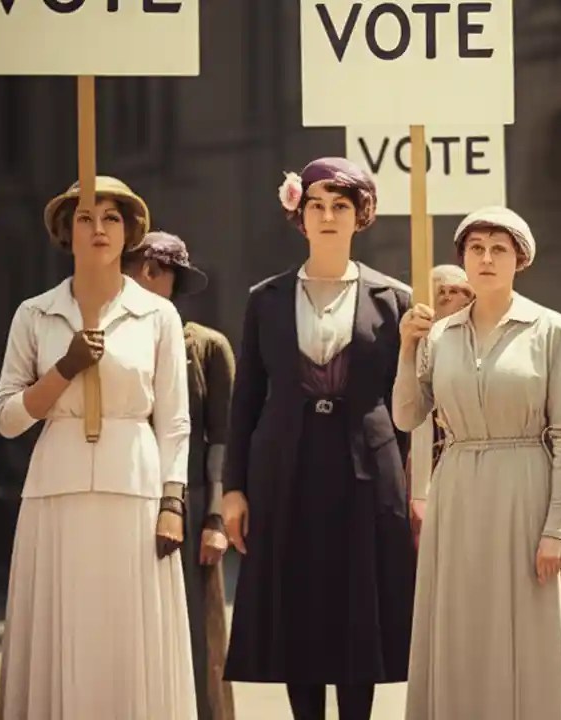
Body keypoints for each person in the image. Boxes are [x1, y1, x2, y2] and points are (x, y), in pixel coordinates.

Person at [221, 157, 416, 720]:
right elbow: (246, 400)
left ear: (361, 216)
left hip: (368, 466)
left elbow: (411, 403)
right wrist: (233, 488)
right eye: (317, 205)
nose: (328, 216)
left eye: (341, 206)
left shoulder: (395, 299)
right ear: (299, 215)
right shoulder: (267, 298)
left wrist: (418, 487)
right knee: (296, 603)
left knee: (361, 603)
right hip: (285, 464)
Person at [0, 176, 195, 717]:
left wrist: (172, 501)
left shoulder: (159, 315)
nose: (99, 228)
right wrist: (63, 370)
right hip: (55, 491)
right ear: (67, 230)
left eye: (111, 217)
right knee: (64, 628)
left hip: (135, 488)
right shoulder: (35, 314)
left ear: (128, 231)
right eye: (86, 217)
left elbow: (174, 419)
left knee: (126, 633)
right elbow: (8, 417)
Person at [393, 206, 561, 720]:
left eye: (498, 249)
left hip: (526, 488)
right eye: (475, 248)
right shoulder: (439, 336)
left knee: (531, 631)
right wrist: (406, 347)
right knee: (465, 627)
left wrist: (557, 526)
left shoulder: (550, 329)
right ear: (462, 258)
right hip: (459, 491)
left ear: (520, 260)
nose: (486, 258)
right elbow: (406, 416)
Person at [125, 231, 236, 720]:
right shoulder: (111, 341)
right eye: (145, 269)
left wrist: (213, 516)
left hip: (189, 504)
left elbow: (222, 438)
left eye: (161, 272)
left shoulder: (206, 347)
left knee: (197, 630)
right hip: (127, 493)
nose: (150, 280)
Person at [407, 264, 476, 545]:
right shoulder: (408, 347)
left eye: (455, 290)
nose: (446, 296)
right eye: (439, 290)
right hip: (419, 468)